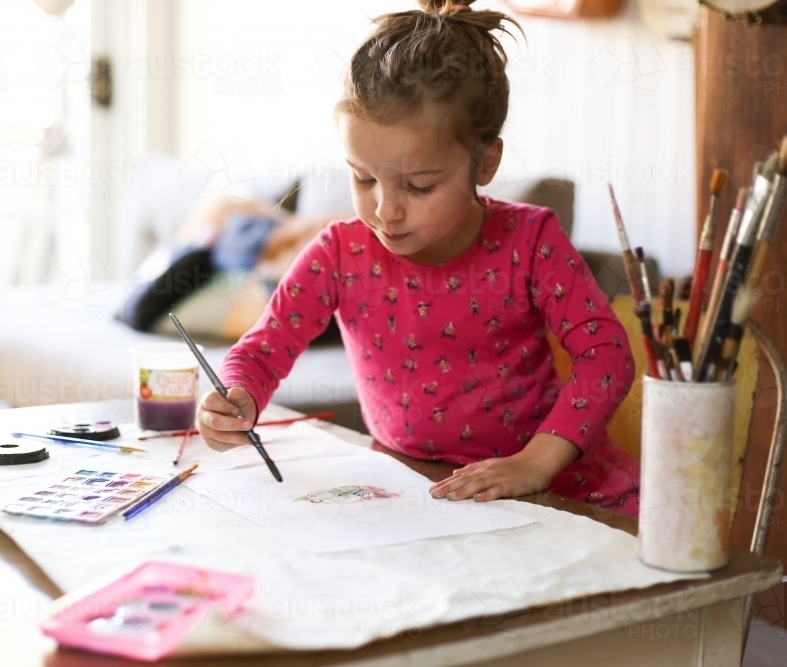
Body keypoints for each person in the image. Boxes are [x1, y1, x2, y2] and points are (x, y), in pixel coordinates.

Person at [196, 0, 640, 516]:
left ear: (486, 162)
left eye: (420, 185)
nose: (386, 211)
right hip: (418, 493)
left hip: (556, 488)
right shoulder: (339, 254)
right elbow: (262, 350)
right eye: (363, 178)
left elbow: (606, 355)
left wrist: (536, 461)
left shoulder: (531, 239)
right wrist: (237, 395)